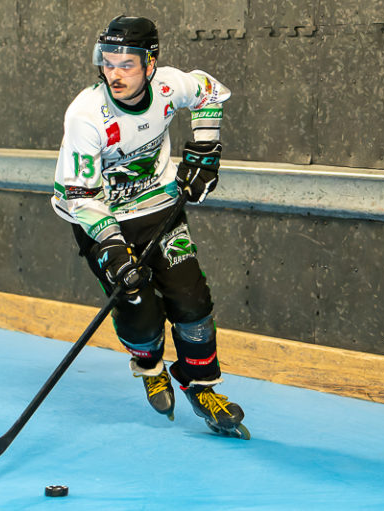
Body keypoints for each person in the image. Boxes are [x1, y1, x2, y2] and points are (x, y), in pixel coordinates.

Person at [51, 15, 248, 439]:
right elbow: (79, 197)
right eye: (108, 62)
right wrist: (114, 250)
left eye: (127, 64)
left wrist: (205, 151)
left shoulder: (169, 86)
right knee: (138, 306)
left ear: (150, 63)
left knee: (192, 300)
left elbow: (209, 92)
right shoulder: (86, 115)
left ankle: (201, 384)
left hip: (159, 207)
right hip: (99, 217)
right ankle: (149, 366)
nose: (115, 74)